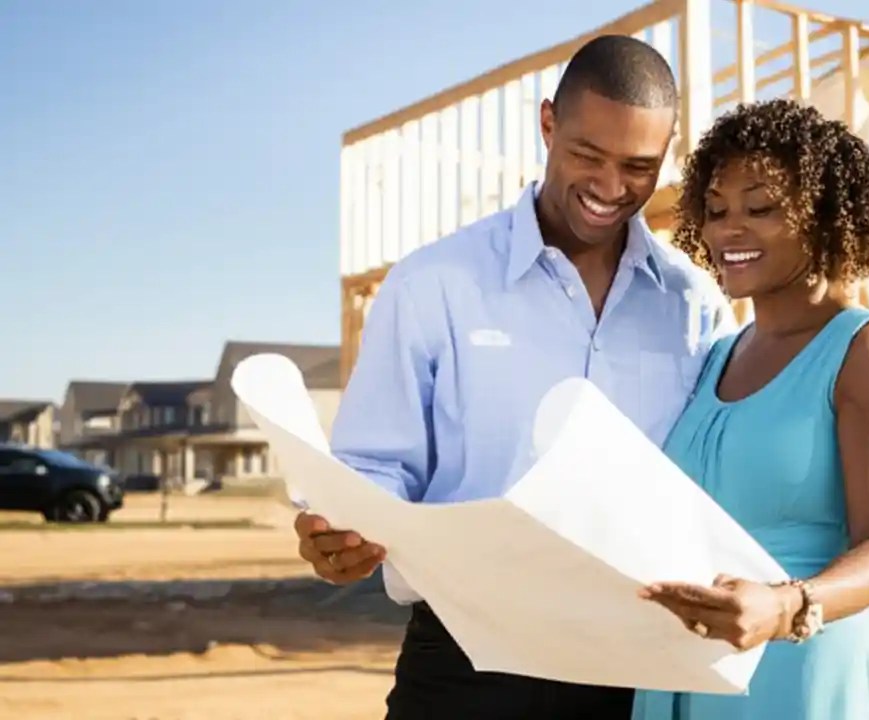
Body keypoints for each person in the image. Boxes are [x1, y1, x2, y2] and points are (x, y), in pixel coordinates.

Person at [291, 35, 734, 719]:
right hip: (466, 666)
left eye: (637, 167)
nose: (610, 187)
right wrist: (344, 530)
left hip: (640, 667)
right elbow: (375, 465)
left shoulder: (696, 305)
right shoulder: (434, 284)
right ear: (548, 123)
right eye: (587, 155)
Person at [632, 98, 869, 720]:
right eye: (716, 211)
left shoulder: (863, 350)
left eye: (760, 208)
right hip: (695, 669)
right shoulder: (719, 354)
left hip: (802, 669)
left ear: (823, 216)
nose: (728, 230)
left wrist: (786, 607)